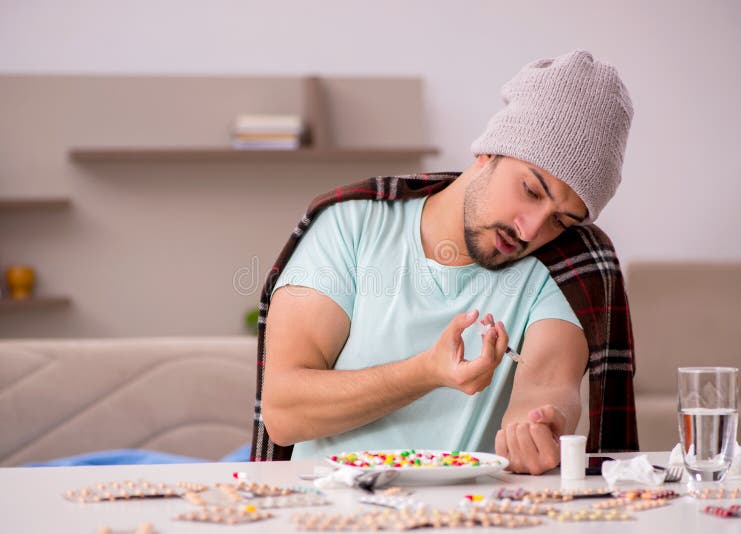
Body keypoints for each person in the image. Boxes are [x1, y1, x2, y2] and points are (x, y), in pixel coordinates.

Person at [259, 50, 634, 474]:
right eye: (531, 191)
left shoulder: (563, 266)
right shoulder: (351, 225)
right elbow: (283, 412)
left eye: (561, 220)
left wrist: (539, 425)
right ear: (489, 152)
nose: (531, 231)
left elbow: (548, 383)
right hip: (328, 505)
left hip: (474, 508)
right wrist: (426, 372)